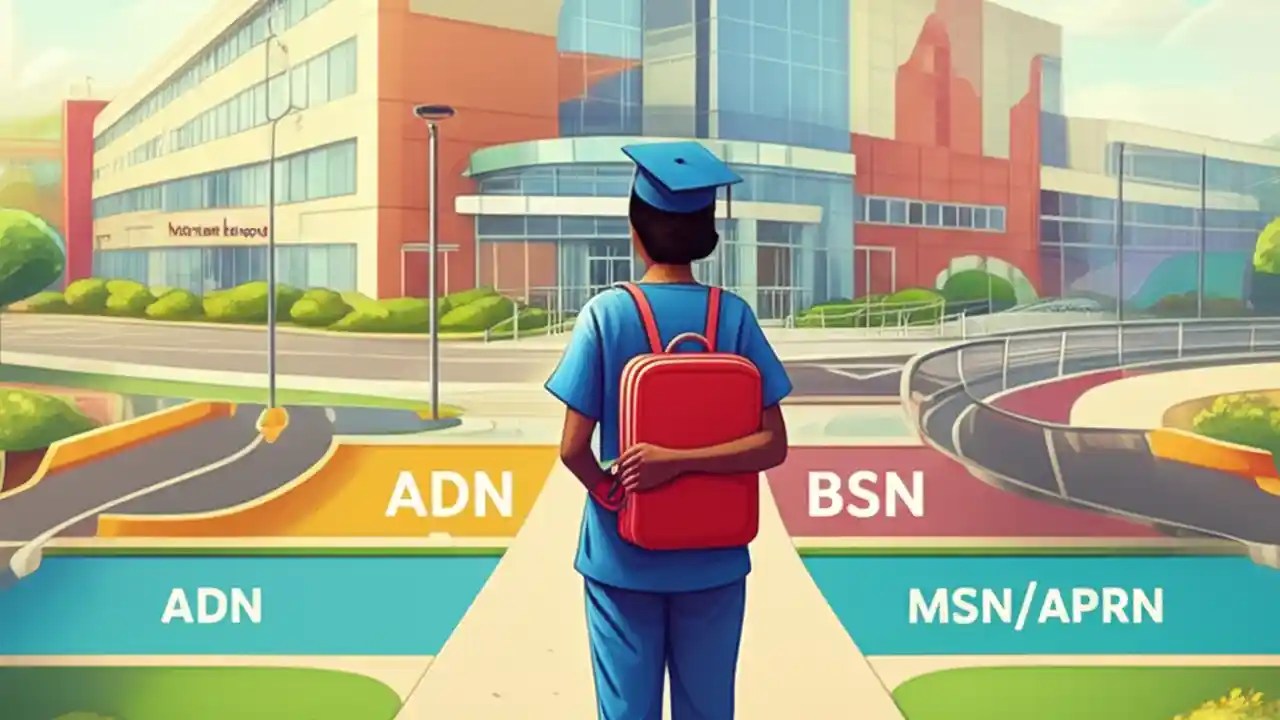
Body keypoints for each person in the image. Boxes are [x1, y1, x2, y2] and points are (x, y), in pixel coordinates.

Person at [544, 140, 793, 720]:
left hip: (622, 556)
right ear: (706, 233)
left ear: (636, 228)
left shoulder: (605, 315)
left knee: (626, 709)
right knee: (708, 708)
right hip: (714, 556)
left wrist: (619, 489)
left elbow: (574, 449)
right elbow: (773, 444)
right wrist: (687, 461)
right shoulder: (732, 316)